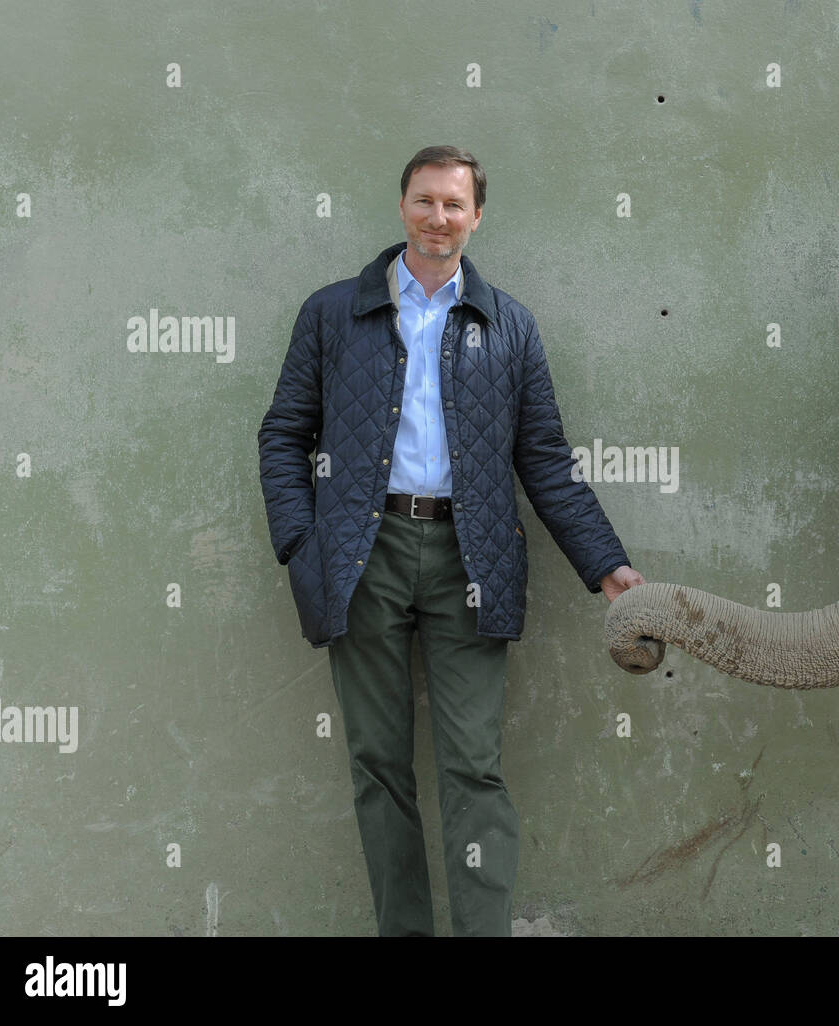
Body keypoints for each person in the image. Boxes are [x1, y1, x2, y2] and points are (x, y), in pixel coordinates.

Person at [257, 145, 644, 936]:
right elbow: (283, 436)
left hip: (473, 559)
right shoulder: (334, 313)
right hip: (360, 557)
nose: (439, 217)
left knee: (473, 766)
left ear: (476, 216)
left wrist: (608, 568)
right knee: (378, 768)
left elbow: (544, 463)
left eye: (455, 204)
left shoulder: (509, 327)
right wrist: (302, 546)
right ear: (403, 205)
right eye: (425, 200)